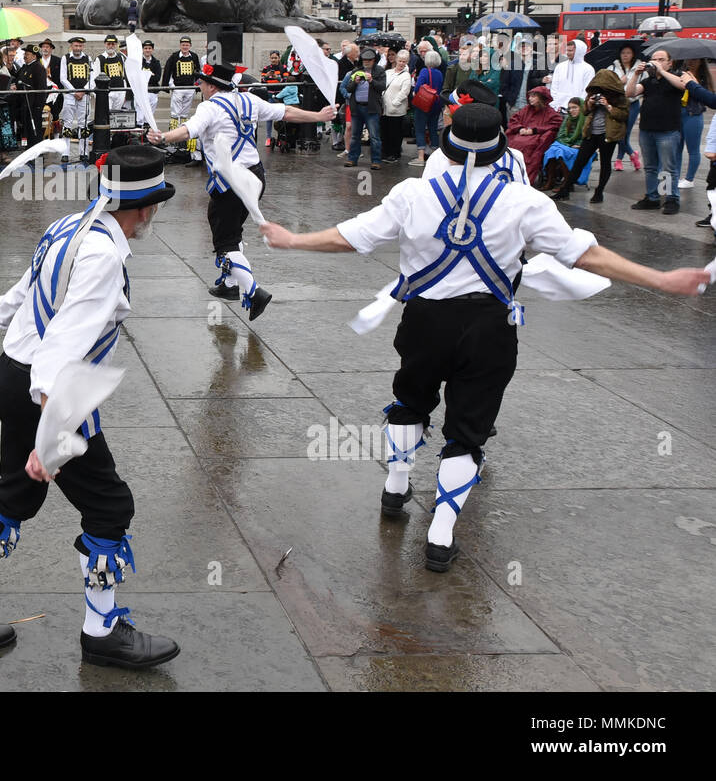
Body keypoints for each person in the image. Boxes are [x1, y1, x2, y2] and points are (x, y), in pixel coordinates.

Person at [260, 102, 709, 571]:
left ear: (448, 144)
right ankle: (440, 533)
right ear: (502, 147)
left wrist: (292, 240)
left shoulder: (413, 193)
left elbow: (351, 237)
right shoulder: (527, 202)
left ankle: (396, 484)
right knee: (468, 430)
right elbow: (585, 256)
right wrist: (659, 280)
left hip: (424, 322)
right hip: (489, 327)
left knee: (410, 401)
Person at [0, 145, 181, 669]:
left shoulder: (70, 225)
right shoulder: (106, 257)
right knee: (110, 506)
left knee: (15, 495)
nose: (154, 214)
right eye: (155, 205)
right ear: (144, 207)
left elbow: (27, 286)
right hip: (50, 391)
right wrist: (51, 433)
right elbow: (65, 344)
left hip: (12, 373)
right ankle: (102, 632)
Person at [150, 62, 337, 319]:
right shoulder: (248, 99)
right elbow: (286, 112)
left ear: (212, 86)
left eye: (202, 83)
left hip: (230, 182)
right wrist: (319, 116)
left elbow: (188, 130)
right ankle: (228, 285)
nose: (200, 87)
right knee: (233, 229)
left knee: (225, 240)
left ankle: (254, 291)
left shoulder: (210, 106)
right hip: (255, 176)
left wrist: (163, 138)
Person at [553, 70, 628, 204]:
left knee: (605, 163)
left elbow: (623, 115)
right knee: (579, 162)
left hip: (608, 135)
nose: (601, 90)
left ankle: (599, 192)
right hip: (591, 133)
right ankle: (565, 190)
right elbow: (585, 111)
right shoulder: (593, 95)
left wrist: (608, 106)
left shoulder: (619, 97)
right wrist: (589, 104)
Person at [625, 48, 685, 214]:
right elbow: (629, 93)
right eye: (654, 59)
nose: (656, 61)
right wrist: (636, 74)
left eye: (661, 59)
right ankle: (653, 198)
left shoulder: (676, 76)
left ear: (669, 62)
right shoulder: (648, 81)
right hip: (647, 130)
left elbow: (682, 85)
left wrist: (661, 71)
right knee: (650, 167)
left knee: (667, 168)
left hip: (667, 131)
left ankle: (671, 199)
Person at [505, 85, 561, 183]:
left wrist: (534, 130)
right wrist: (520, 128)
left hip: (536, 138)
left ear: (541, 97)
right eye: (530, 96)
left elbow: (555, 124)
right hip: (521, 134)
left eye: (533, 96)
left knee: (527, 145)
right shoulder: (526, 109)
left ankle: (522, 179)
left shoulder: (550, 112)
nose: (530, 98)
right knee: (509, 142)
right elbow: (514, 120)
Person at [342, 47, 386, 169]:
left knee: (374, 136)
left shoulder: (379, 71)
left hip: (371, 108)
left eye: (369, 60)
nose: (366, 62)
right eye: (364, 60)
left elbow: (382, 87)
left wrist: (371, 80)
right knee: (355, 135)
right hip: (357, 107)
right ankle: (352, 159)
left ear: (374, 60)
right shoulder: (356, 70)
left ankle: (376, 161)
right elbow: (348, 88)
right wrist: (355, 82)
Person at [678, 59, 716, 190]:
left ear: (701, 62)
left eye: (695, 59)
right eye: (690, 59)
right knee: (676, 148)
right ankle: (675, 176)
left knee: (693, 149)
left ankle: (689, 179)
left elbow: (709, 98)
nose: (692, 62)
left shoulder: (703, 77)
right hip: (678, 114)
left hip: (694, 114)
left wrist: (693, 83)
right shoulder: (680, 73)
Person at [162, 35, 201, 160]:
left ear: (190, 46)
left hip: (189, 88)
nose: (185, 47)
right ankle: (174, 136)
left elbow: (198, 71)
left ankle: (182, 135)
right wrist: (169, 85)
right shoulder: (174, 57)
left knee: (185, 113)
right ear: (180, 46)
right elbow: (168, 70)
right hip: (178, 88)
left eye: (187, 45)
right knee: (175, 112)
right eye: (183, 45)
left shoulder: (194, 56)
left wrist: (197, 85)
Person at [540, 97, 585, 196]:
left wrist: (579, 145)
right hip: (565, 144)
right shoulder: (567, 119)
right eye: (570, 108)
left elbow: (587, 138)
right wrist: (567, 143)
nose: (571, 110)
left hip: (579, 147)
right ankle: (550, 180)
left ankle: (567, 182)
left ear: (581, 108)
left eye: (575, 108)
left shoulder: (585, 119)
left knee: (560, 153)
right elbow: (561, 135)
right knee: (551, 151)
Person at [609, 43, 643, 172]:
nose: (625, 55)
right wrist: (619, 82)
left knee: (625, 133)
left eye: (628, 53)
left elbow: (643, 86)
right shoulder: (613, 67)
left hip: (632, 104)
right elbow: (607, 84)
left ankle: (618, 159)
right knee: (618, 132)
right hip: (617, 104)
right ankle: (632, 154)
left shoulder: (640, 67)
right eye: (623, 53)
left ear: (633, 54)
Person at [412, 48, 445, 163]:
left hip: (424, 104)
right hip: (436, 104)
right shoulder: (439, 73)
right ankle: (435, 157)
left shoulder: (425, 71)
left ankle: (421, 157)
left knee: (420, 129)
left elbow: (417, 88)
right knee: (433, 129)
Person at [382, 49, 412, 164]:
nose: (401, 63)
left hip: (396, 109)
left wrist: (395, 103)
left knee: (395, 133)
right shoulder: (388, 72)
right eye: (400, 61)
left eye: (404, 61)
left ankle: (394, 153)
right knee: (385, 131)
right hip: (384, 107)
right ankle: (385, 151)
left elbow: (404, 92)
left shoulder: (406, 75)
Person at [548, 39, 594, 111]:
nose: (568, 53)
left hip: (577, 110)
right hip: (559, 109)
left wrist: (578, 106)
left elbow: (586, 90)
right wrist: (556, 104)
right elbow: (554, 87)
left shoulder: (588, 69)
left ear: (579, 51)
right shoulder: (560, 67)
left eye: (571, 51)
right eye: (567, 50)